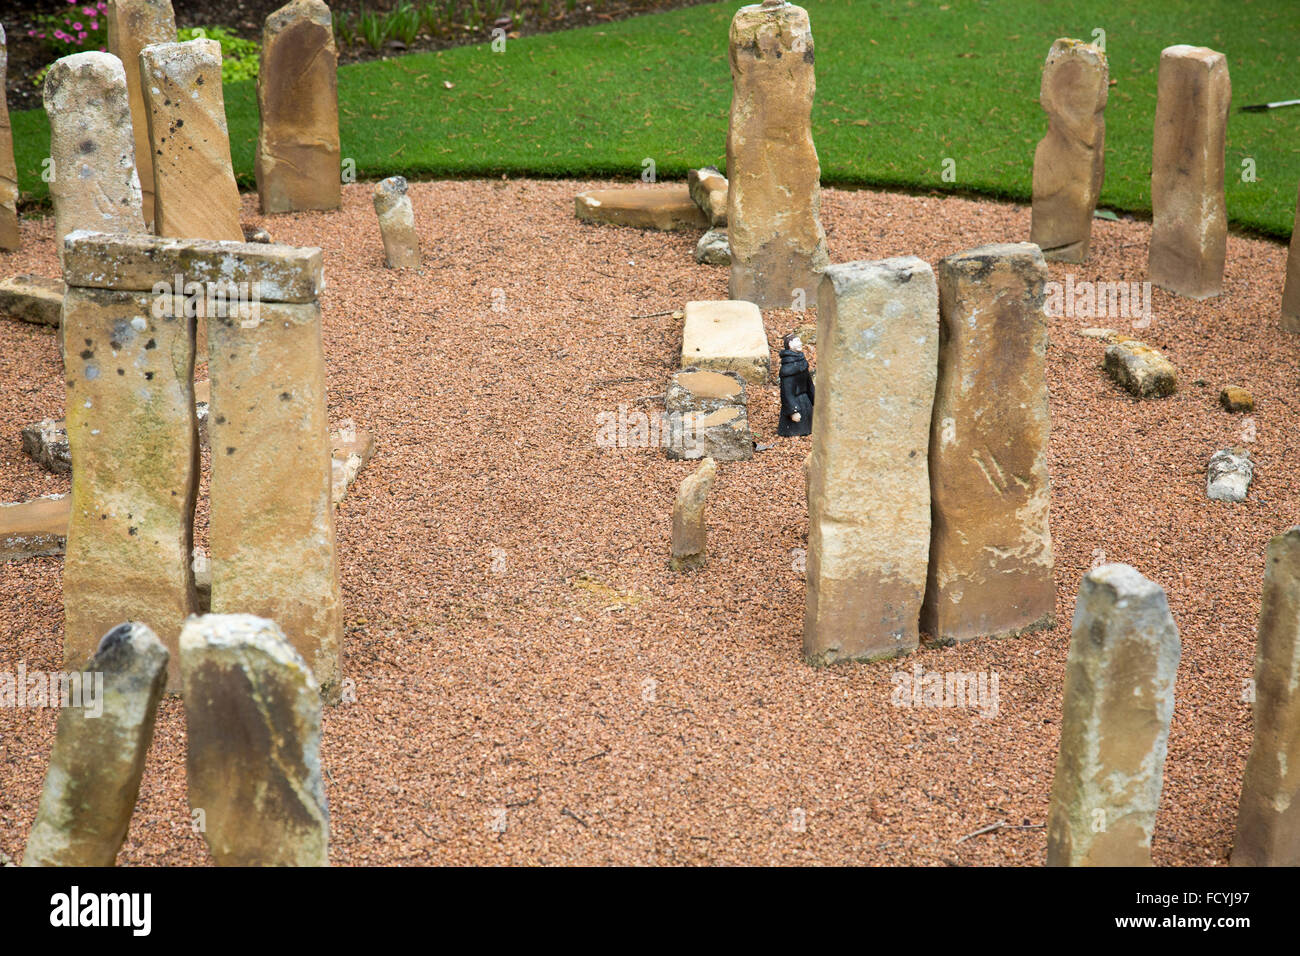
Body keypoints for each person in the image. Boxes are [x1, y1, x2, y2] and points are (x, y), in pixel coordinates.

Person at [778, 332, 814, 437]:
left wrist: (815, 400)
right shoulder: (788, 369)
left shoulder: (802, 362)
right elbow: (786, 392)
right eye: (796, 341)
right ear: (790, 345)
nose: (800, 343)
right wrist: (793, 411)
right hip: (796, 402)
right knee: (797, 428)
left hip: (805, 402)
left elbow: (809, 384)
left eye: (799, 341)